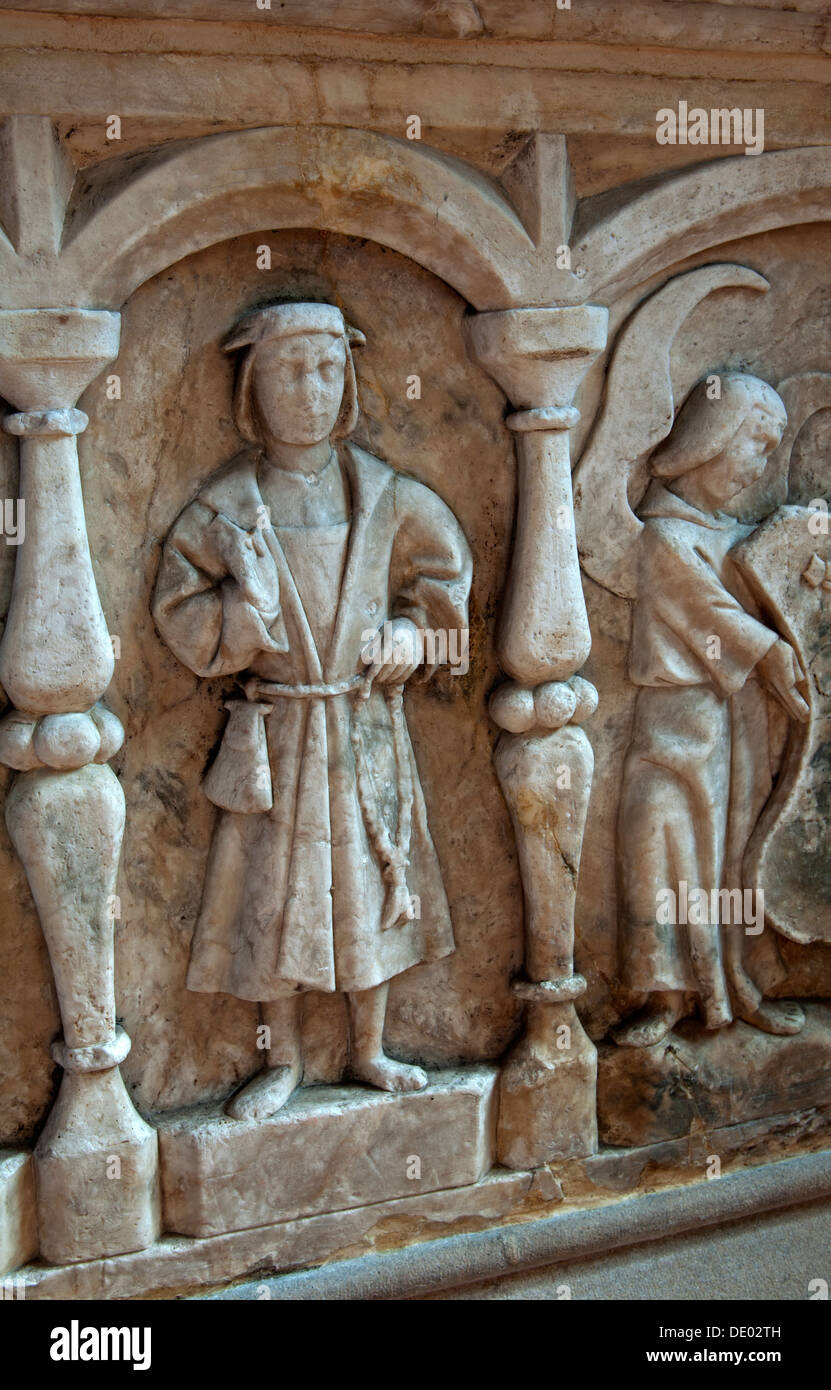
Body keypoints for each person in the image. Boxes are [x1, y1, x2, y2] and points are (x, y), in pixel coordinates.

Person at [152, 301, 471, 1117]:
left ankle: (368, 1048)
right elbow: (182, 612)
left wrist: (413, 634)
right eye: (290, 370)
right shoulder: (223, 506)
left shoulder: (387, 494)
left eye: (328, 368)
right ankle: (280, 1059)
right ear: (251, 389)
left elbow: (444, 581)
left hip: (364, 724)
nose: (310, 389)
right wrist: (245, 614)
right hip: (278, 732)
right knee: (273, 895)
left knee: (370, 882)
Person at [614, 373, 809, 1048]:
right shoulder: (663, 536)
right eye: (753, 445)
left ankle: (736, 983)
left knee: (731, 857)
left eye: (769, 450)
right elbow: (709, 611)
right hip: (674, 726)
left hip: (740, 723)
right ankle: (665, 994)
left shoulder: (730, 532)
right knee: (661, 846)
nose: (760, 466)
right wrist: (770, 655)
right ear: (711, 440)